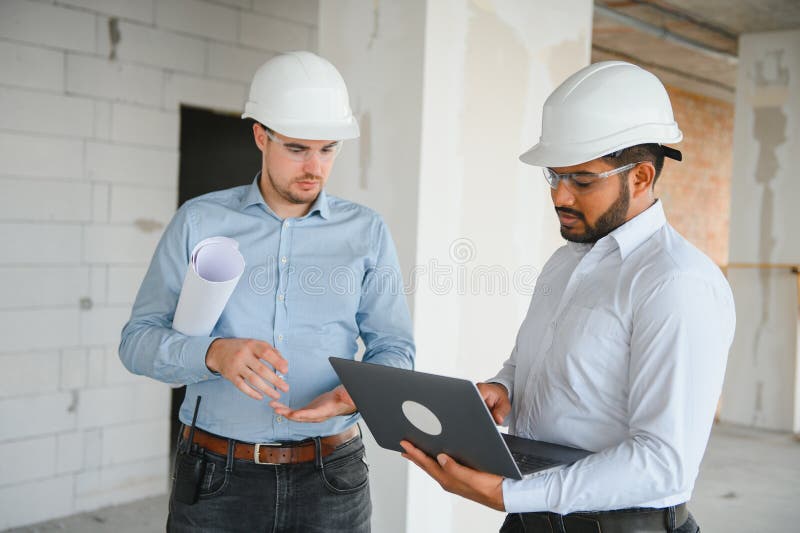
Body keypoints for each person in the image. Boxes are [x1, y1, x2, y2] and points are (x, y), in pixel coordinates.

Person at [401, 61, 735, 532]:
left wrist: (508, 494)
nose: (560, 196)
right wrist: (504, 389)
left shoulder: (677, 284)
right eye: (554, 176)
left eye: (581, 180)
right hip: (531, 518)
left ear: (640, 178)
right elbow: (526, 364)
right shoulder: (568, 260)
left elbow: (663, 462)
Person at [119, 51, 414, 533]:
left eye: (328, 149)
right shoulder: (200, 221)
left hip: (332, 477)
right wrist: (213, 353)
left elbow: (396, 348)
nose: (314, 168)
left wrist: (355, 394)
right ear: (261, 135)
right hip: (217, 476)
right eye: (297, 148)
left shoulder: (367, 232)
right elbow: (137, 342)